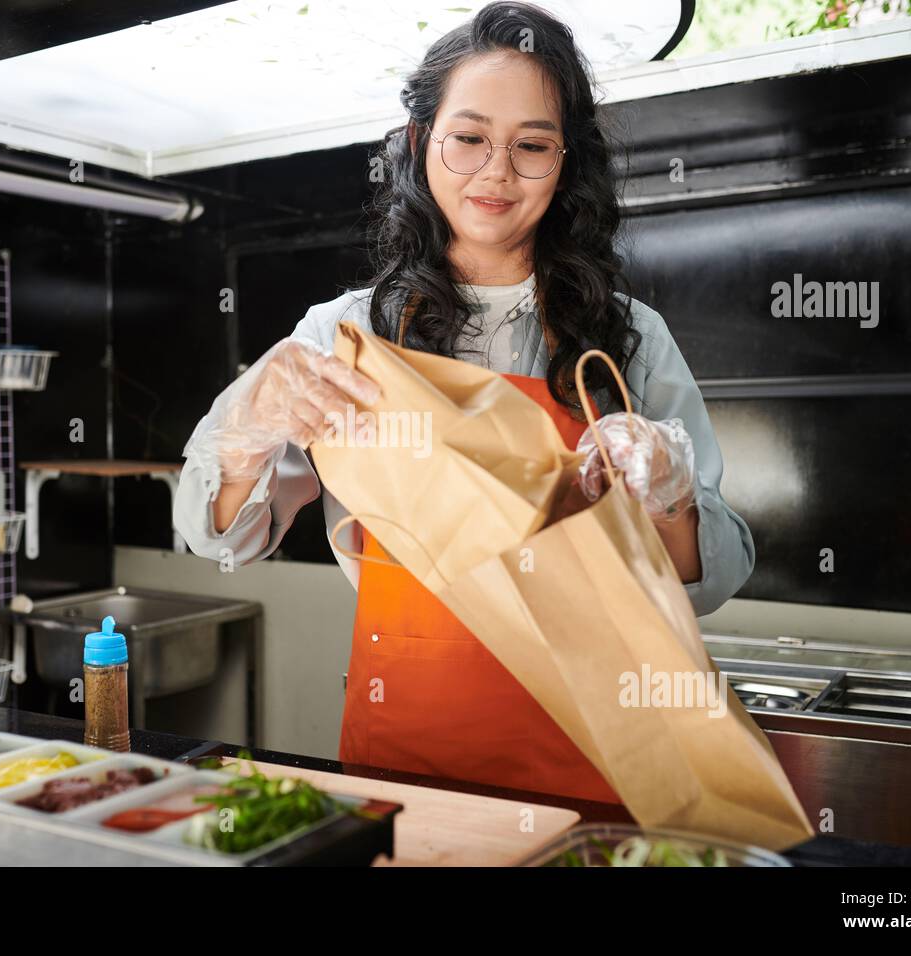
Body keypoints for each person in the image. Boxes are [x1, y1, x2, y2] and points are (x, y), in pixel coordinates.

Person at [173, 2, 755, 803]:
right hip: (409, 741)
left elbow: (712, 575)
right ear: (420, 143)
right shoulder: (346, 332)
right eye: (469, 137)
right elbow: (218, 539)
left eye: (533, 147)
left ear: (566, 162)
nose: (497, 173)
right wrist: (244, 434)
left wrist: (672, 499)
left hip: (597, 745)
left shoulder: (627, 337)